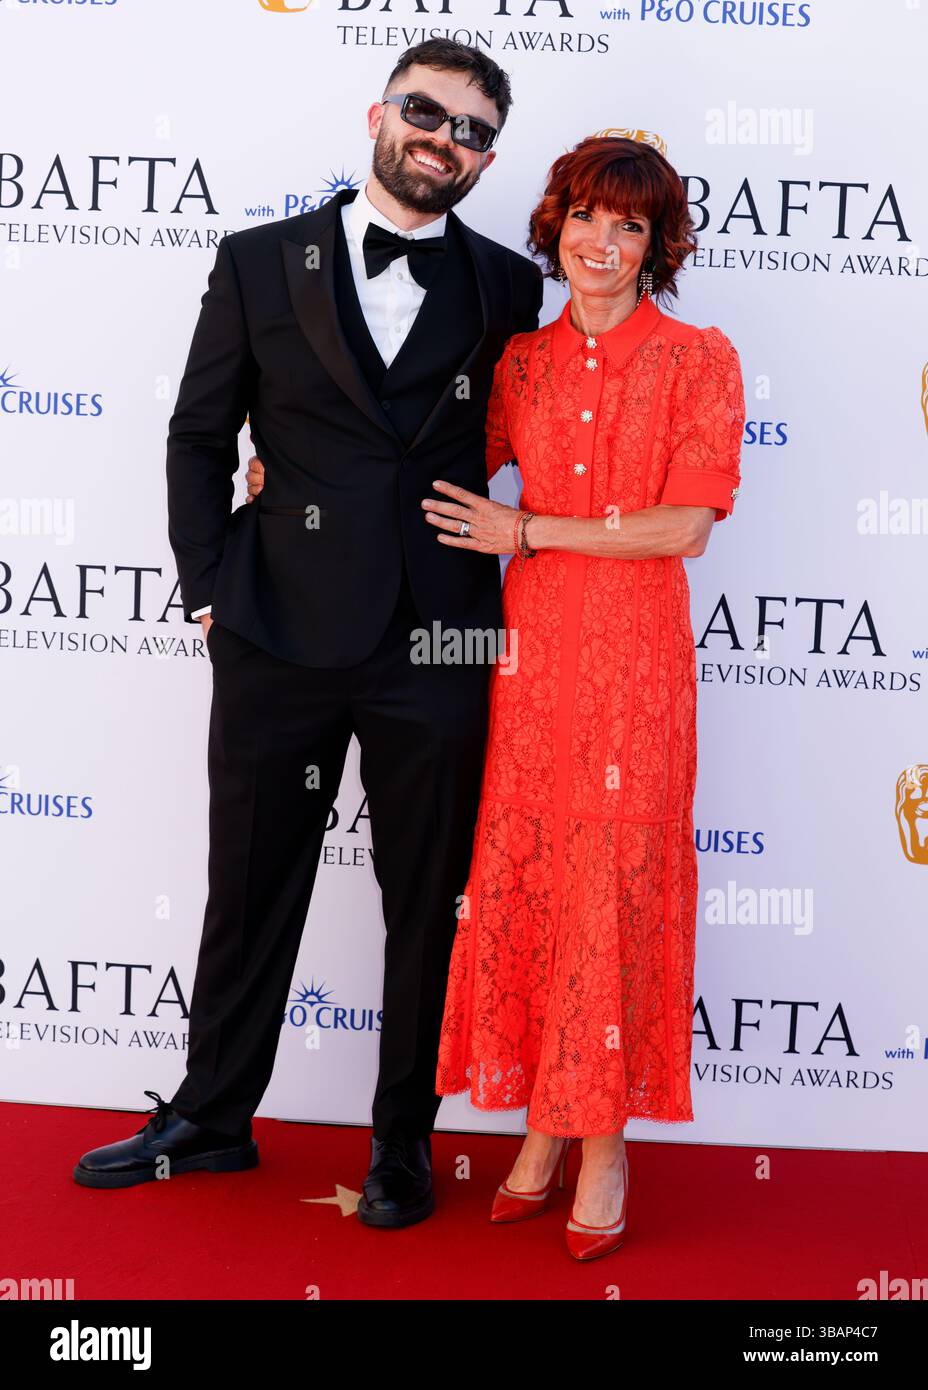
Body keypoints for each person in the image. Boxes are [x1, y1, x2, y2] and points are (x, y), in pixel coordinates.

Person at [71, 39, 543, 1231]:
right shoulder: (255, 261)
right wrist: (210, 580)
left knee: (424, 898)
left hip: (439, 640)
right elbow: (196, 434)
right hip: (275, 625)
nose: (446, 138)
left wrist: (534, 531)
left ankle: (402, 1145)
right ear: (381, 112)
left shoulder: (506, 287)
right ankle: (212, 1117)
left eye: (473, 128)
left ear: (488, 157)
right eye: (428, 112)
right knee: (250, 880)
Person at [427, 135, 745, 1260]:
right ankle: (545, 1125)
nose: (602, 245)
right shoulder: (522, 361)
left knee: (613, 878)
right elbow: (429, 464)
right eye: (585, 220)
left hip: (638, 665)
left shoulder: (700, 357)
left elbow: (686, 529)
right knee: (544, 872)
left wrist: (532, 531)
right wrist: (283, 468)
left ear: (658, 247)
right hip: (534, 663)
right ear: (554, 223)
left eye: (630, 228)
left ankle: (603, 1144)